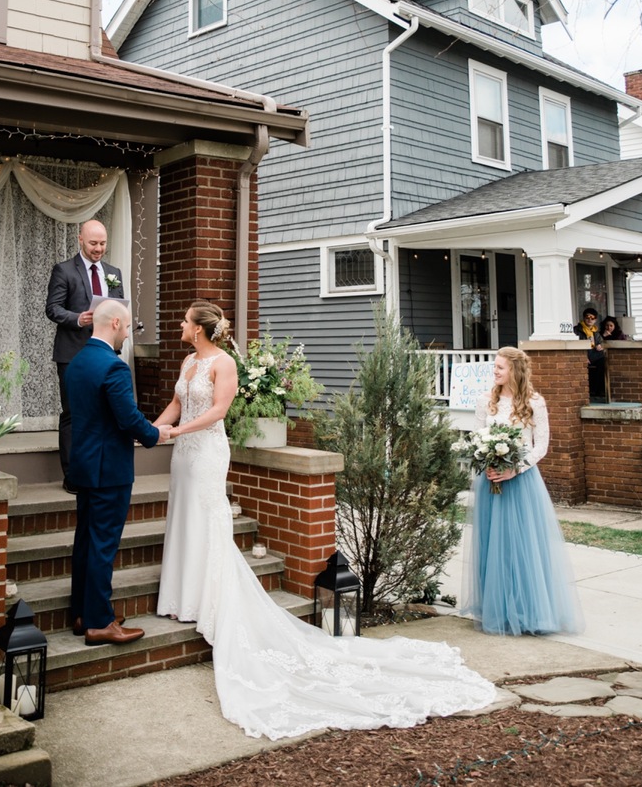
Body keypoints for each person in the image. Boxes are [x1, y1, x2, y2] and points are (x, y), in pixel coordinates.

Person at [152, 300, 495, 740]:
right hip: (183, 454)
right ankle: (182, 598)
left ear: (200, 329)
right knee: (184, 521)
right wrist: (152, 430)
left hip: (207, 452)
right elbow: (175, 406)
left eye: (184, 321)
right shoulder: (186, 361)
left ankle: (209, 602)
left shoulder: (224, 363)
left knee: (208, 523)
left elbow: (217, 411)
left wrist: (177, 432)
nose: (179, 325)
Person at [65, 299, 170, 645]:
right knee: (103, 546)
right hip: (108, 469)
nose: (127, 334)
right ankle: (99, 622)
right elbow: (127, 418)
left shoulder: (78, 362)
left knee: (85, 541)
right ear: (113, 324)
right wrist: (156, 434)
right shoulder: (113, 366)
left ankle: (82, 613)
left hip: (82, 464)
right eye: (127, 327)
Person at [460, 346, 583, 636]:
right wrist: (487, 462)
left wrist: (515, 468)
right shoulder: (485, 401)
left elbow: (541, 446)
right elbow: (477, 438)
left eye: (500, 367)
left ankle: (528, 611)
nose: (495, 371)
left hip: (522, 482)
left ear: (515, 370)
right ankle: (499, 610)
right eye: (495, 367)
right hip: (491, 481)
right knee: (494, 547)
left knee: (523, 546)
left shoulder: (534, 402)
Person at [46, 219, 124, 491]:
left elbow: (119, 312)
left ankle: (100, 471)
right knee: (73, 414)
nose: (98, 249)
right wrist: (79, 318)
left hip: (106, 356)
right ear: (80, 239)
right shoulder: (64, 270)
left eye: (102, 243)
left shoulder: (114, 272)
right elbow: (53, 309)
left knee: (104, 413)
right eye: (93, 243)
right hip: (73, 355)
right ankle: (73, 477)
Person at [573, 307, 606, 402]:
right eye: (587, 317)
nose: (590, 320)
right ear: (584, 318)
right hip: (583, 354)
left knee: (603, 361)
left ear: (595, 320)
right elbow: (575, 344)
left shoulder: (596, 332)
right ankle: (592, 390)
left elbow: (600, 343)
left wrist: (600, 346)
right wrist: (583, 357)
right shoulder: (577, 330)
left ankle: (599, 390)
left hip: (593, 354)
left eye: (592, 318)